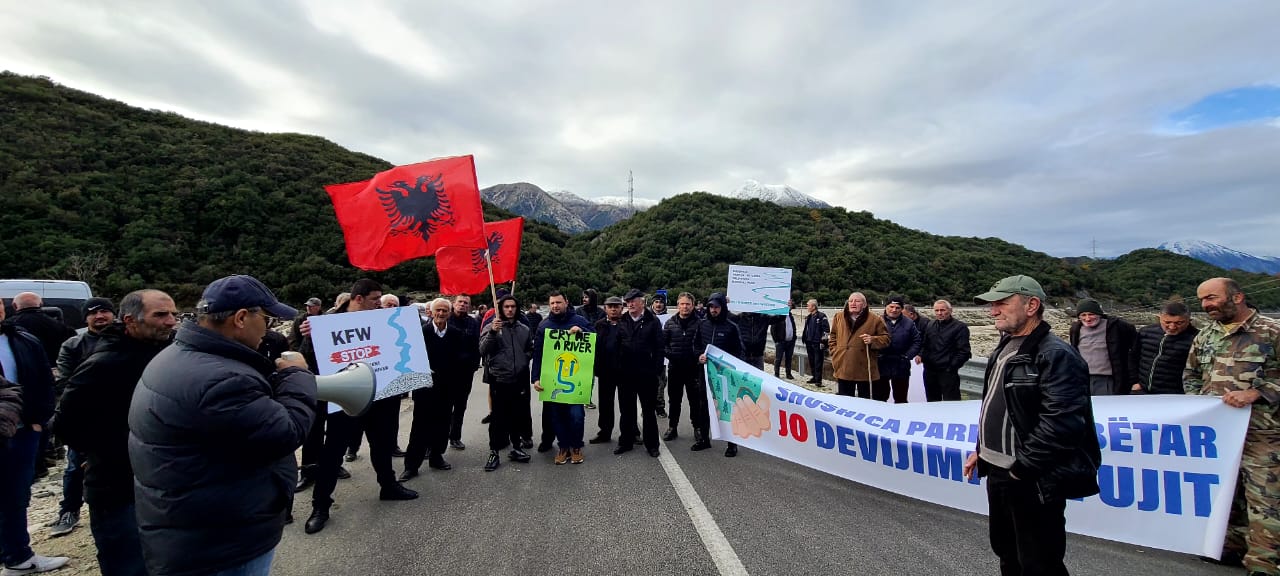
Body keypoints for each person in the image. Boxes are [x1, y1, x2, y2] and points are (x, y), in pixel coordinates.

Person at [128, 275, 316, 576]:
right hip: (222, 544)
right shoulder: (223, 380)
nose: (268, 329)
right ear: (241, 318)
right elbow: (286, 432)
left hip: (195, 527)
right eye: (266, 319)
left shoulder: (181, 356)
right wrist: (296, 375)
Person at [964, 274, 1100, 576]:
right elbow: (997, 407)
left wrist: (1020, 470)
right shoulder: (1006, 347)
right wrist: (982, 451)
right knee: (1007, 552)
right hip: (999, 472)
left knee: (1039, 563)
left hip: (1030, 478)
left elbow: (1062, 424)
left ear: (1031, 305)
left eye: (1001, 303)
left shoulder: (1056, 354)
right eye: (992, 305)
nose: (993, 311)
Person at [56, 290, 176, 576]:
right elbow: (64, 424)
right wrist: (105, 453)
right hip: (118, 489)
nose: (171, 321)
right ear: (130, 320)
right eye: (160, 315)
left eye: (172, 314)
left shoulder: (167, 354)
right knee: (128, 565)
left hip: (163, 485)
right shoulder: (104, 363)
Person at [301, 279, 417, 537]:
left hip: (381, 398)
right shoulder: (323, 326)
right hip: (344, 399)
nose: (380, 303)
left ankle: (388, 486)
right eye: (375, 298)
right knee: (332, 453)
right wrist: (310, 337)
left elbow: (401, 351)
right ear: (358, 298)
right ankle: (320, 506)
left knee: (383, 445)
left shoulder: (384, 321)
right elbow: (307, 362)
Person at [1184, 277, 1280, 573]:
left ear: (1237, 297)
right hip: (1219, 433)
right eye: (1202, 300)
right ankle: (1230, 546)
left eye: (1211, 298)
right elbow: (1191, 375)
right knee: (1226, 491)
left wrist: (1257, 393)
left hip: (1262, 432)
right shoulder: (1205, 335)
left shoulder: (1271, 332)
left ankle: (1265, 562)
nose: (1206, 305)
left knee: (1265, 498)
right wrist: (1201, 405)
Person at [0, 303, 70, 575]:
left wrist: (39, 421)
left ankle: (17, 556)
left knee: (16, 495)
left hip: (22, 431)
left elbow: (43, 381)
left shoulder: (23, 339)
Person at [47, 297, 116, 538]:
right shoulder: (73, 344)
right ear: (86, 317)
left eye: (105, 312)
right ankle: (69, 511)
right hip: (88, 416)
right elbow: (65, 381)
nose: (100, 316)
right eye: (94, 313)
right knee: (75, 466)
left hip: (122, 415)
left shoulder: (127, 339)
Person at [403, 298, 468, 477]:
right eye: (438, 310)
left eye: (444, 311)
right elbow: (411, 358)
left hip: (447, 388)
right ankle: (411, 465)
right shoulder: (420, 333)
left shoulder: (455, 333)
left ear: (449, 313)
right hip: (425, 389)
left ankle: (437, 457)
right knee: (419, 427)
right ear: (431, 312)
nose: (441, 314)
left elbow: (461, 357)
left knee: (443, 424)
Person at [532, 291, 594, 465]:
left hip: (576, 380)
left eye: (558, 302)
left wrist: (582, 331)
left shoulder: (579, 321)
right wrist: (535, 378)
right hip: (553, 381)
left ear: (566, 302)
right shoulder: (544, 326)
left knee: (576, 416)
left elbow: (594, 337)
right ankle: (563, 446)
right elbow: (538, 354)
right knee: (557, 416)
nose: (555, 306)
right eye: (552, 303)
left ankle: (576, 446)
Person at [479, 294, 534, 471]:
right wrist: (493, 333)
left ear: (517, 309)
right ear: (500, 309)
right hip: (500, 379)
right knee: (498, 418)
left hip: (519, 379)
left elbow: (529, 349)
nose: (510, 309)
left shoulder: (524, 329)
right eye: (506, 307)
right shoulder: (490, 327)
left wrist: (524, 360)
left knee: (517, 415)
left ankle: (516, 448)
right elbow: (483, 350)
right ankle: (494, 452)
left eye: (513, 306)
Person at [696, 293, 745, 456]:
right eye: (711, 307)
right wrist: (699, 356)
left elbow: (739, 352)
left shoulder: (731, 327)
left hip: (725, 377)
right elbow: (695, 346)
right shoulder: (702, 325)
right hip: (706, 374)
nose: (713, 310)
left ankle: (732, 444)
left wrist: (727, 365)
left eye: (716, 307)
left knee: (727, 410)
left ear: (723, 307)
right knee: (704, 407)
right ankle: (704, 439)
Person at [616, 289, 664, 458]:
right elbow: (616, 345)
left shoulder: (653, 320)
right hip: (626, 374)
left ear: (642, 302)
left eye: (633, 301)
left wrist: (656, 370)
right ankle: (626, 442)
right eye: (627, 301)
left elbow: (660, 347)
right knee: (626, 411)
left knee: (649, 411)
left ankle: (652, 445)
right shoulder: (622, 320)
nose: (630, 304)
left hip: (647, 374)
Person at [664, 292, 708, 447]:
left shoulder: (701, 323)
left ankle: (697, 428)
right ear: (678, 305)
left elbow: (704, 344)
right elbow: (664, 344)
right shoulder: (669, 323)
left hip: (693, 369)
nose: (684, 307)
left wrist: (697, 357)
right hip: (675, 368)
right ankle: (672, 427)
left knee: (695, 401)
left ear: (693, 305)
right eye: (682, 304)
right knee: (674, 400)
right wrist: (672, 355)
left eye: (688, 304)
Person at [1068, 298, 1138, 396]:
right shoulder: (1076, 329)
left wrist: (1135, 380)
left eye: (1091, 314)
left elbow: (1135, 350)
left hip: (1108, 380)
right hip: (1083, 379)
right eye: (1083, 315)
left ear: (1099, 314)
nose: (1087, 319)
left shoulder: (1118, 326)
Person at [828, 292, 889, 399]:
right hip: (844, 365)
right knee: (844, 400)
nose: (853, 303)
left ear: (864, 304)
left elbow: (886, 339)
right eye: (851, 301)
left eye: (857, 301)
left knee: (864, 401)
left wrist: (873, 339)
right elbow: (833, 335)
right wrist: (835, 351)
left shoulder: (875, 319)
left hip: (865, 367)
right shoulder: (839, 317)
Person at [1130, 301, 1198, 394]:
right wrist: (1134, 382)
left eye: (1179, 323)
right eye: (1167, 322)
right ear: (1159, 318)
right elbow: (1133, 357)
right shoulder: (1146, 332)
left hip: (1175, 395)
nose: (1172, 327)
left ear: (1189, 320)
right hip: (1142, 391)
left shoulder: (1197, 339)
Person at [588, 296, 628, 446]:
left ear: (621, 308)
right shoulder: (598, 325)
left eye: (616, 306)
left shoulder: (628, 323)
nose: (613, 309)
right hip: (605, 372)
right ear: (605, 308)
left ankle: (631, 432)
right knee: (605, 405)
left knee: (627, 405)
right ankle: (604, 432)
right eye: (610, 306)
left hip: (625, 372)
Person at [916, 300, 972, 401]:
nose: (939, 313)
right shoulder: (930, 325)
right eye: (936, 310)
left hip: (947, 372)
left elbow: (964, 352)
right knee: (932, 402)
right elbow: (924, 344)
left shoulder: (960, 327)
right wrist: (920, 355)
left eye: (942, 310)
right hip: (929, 371)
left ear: (950, 311)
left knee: (951, 403)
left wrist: (951, 367)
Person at [447, 294, 482, 451]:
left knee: (460, 406)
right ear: (454, 304)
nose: (462, 305)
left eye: (466, 303)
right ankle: (436, 440)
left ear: (469, 306)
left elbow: (477, 345)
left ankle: (455, 437)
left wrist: (474, 365)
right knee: (444, 407)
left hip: (465, 372)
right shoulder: (445, 319)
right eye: (460, 302)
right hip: (446, 372)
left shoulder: (473, 323)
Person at [7, 292, 75, 367]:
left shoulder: (8, 327)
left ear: (14, 306)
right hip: (53, 370)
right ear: (41, 304)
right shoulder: (61, 327)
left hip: (20, 371)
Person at [876, 296, 922, 403]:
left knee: (901, 398)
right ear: (886, 307)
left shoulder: (909, 323)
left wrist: (907, 356)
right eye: (891, 307)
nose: (894, 310)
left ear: (901, 309)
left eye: (897, 307)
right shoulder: (877, 321)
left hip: (901, 365)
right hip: (881, 364)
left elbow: (917, 341)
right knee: (880, 397)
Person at [801, 299, 830, 386]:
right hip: (809, 342)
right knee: (811, 361)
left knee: (818, 362)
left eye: (808, 305)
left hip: (818, 343)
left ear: (813, 306)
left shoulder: (822, 316)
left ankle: (818, 380)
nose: (807, 307)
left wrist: (823, 341)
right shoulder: (809, 317)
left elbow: (826, 331)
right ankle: (814, 377)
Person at [650, 295, 670, 418]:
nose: (658, 305)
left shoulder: (669, 319)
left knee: (661, 384)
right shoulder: (645, 317)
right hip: (647, 357)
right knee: (647, 384)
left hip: (661, 357)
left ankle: (660, 407)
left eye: (661, 302)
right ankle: (648, 406)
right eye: (656, 302)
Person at [770, 298, 798, 379]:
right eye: (788, 305)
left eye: (790, 305)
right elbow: (773, 329)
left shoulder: (791, 316)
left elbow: (793, 328)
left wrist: (794, 337)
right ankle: (776, 373)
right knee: (778, 358)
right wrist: (776, 340)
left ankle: (788, 374)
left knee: (789, 358)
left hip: (790, 341)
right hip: (780, 341)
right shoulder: (778, 316)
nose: (790, 307)